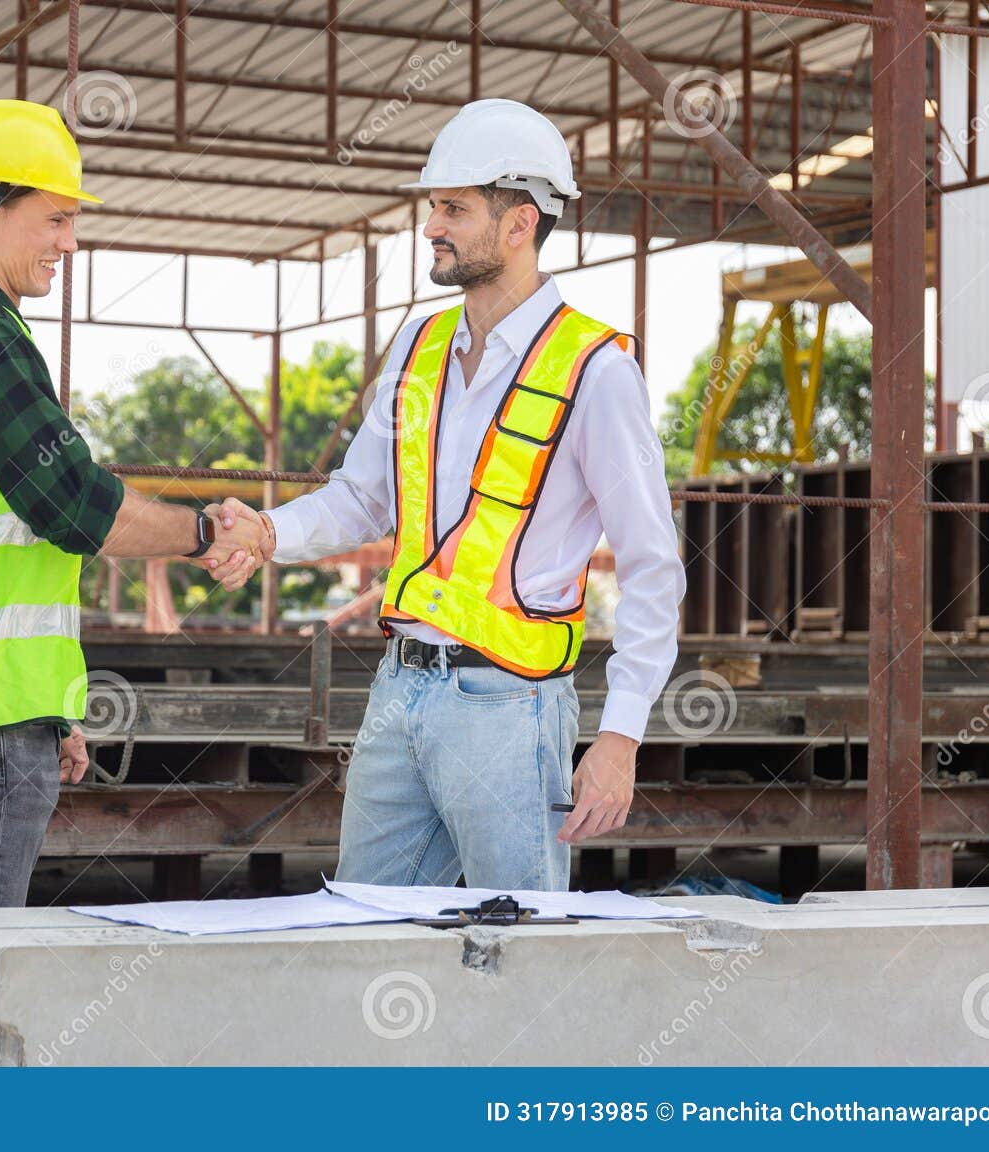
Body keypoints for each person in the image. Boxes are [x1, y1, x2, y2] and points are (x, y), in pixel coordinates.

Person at [0, 99, 263, 1066]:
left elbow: (11, 546)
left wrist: (50, 708)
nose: (69, 241)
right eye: (55, 216)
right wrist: (208, 527)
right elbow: (73, 503)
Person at [214, 99, 684, 890]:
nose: (432, 224)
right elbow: (363, 496)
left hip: (513, 707)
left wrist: (621, 736)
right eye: (433, 205)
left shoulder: (596, 371)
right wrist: (267, 531)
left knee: (516, 948)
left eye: (454, 208)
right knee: (365, 927)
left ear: (519, 223)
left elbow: (652, 564)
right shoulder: (419, 344)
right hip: (399, 692)